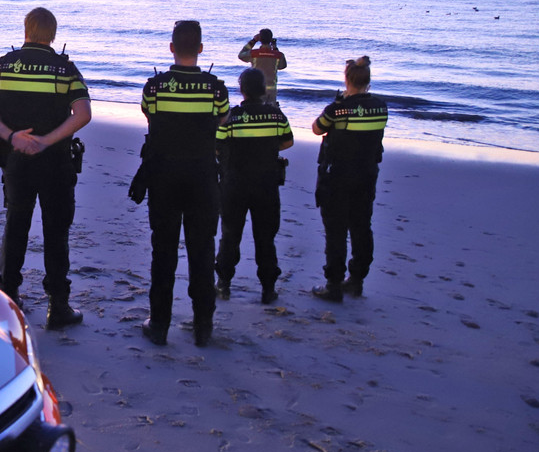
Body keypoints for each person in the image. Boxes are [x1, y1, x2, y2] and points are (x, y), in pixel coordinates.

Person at [0, 7, 91, 329]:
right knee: (56, 232)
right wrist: (46, 141)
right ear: (52, 34)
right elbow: (82, 114)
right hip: (56, 161)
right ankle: (58, 306)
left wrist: (12, 136)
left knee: (15, 225)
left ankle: (8, 294)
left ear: (26, 31)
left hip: (16, 159)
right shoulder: (64, 68)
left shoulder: (4, 65)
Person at [139, 20, 229, 347]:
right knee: (202, 250)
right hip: (202, 176)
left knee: (163, 251)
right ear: (201, 49)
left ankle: (159, 324)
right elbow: (222, 119)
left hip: (163, 175)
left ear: (171, 48)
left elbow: (150, 117)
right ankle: (203, 326)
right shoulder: (216, 89)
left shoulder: (154, 87)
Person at [214, 67, 294, 304]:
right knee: (265, 238)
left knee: (230, 236)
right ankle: (268, 289)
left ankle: (223, 284)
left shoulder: (232, 117)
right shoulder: (276, 115)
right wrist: (266, 148)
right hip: (266, 184)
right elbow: (288, 142)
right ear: (263, 89)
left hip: (234, 184)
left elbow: (217, 146)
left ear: (242, 90)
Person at [310, 56, 387, 302]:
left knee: (336, 231)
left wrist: (339, 103)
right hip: (366, 174)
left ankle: (333, 284)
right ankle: (356, 280)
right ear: (368, 81)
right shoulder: (381, 107)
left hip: (337, 176)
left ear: (346, 80)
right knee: (361, 226)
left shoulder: (337, 109)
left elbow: (317, 128)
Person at [238, 28, 288, 103]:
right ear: (271, 39)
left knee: (256, 108)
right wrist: (274, 47)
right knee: (271, 108)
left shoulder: (254, 53)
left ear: (260, 39)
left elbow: (241, 55)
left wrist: (253, 41)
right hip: (271, 89)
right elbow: (282, 66)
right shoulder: (278, 55)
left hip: (257, 88)